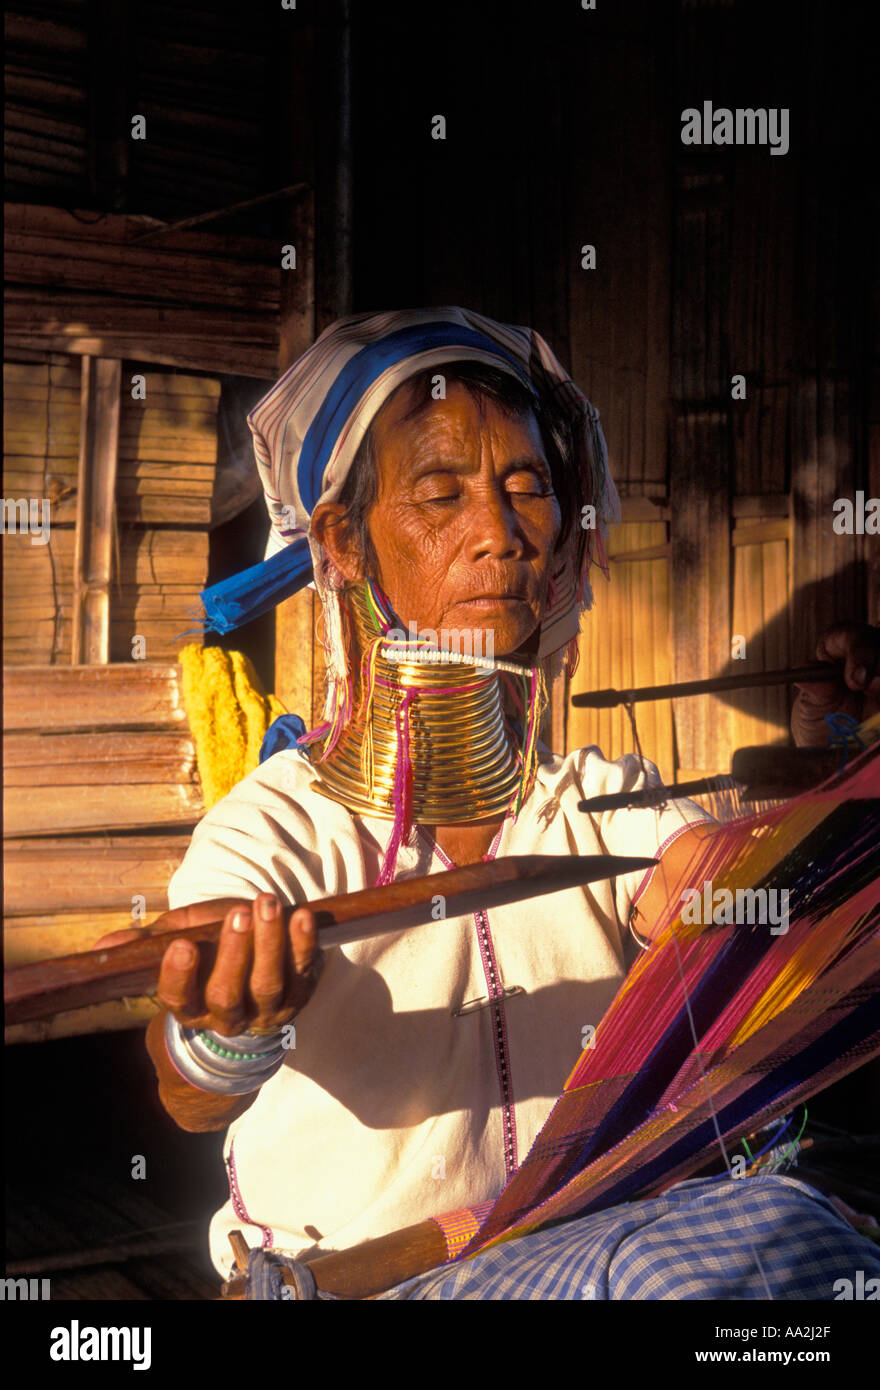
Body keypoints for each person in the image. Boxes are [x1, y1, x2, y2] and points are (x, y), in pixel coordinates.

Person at [130, 309, 880, 1298]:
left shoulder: (592, 801)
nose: (499, 533)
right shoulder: (277, 830)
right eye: (441, 494)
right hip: (360, 1283)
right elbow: (187, 1092)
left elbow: (705, 883)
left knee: (786, 1239)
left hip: (577, 1241)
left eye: (527, 488)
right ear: (345, 542)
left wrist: (837, 775)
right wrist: (227, 1027)